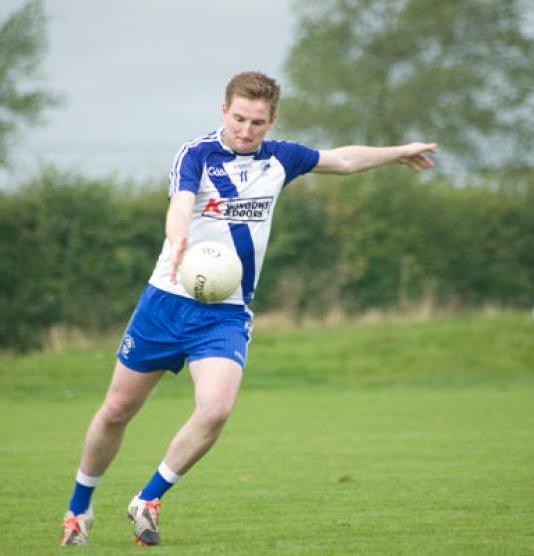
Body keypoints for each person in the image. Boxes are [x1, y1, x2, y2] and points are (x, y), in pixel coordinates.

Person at [59, 70, 438, 547]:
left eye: (257, 121)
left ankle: (148, 499)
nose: (245, 129)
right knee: (116, 410)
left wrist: (397, 152)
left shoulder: (281, 159)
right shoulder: (196, 154)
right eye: (239, 118)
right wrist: (178, 234)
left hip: (226, 312)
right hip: (166, 302)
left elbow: (341, 159)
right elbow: (180, 203)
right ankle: (78, 509)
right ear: (224, 112)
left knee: (215, 410)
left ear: (271, 120)